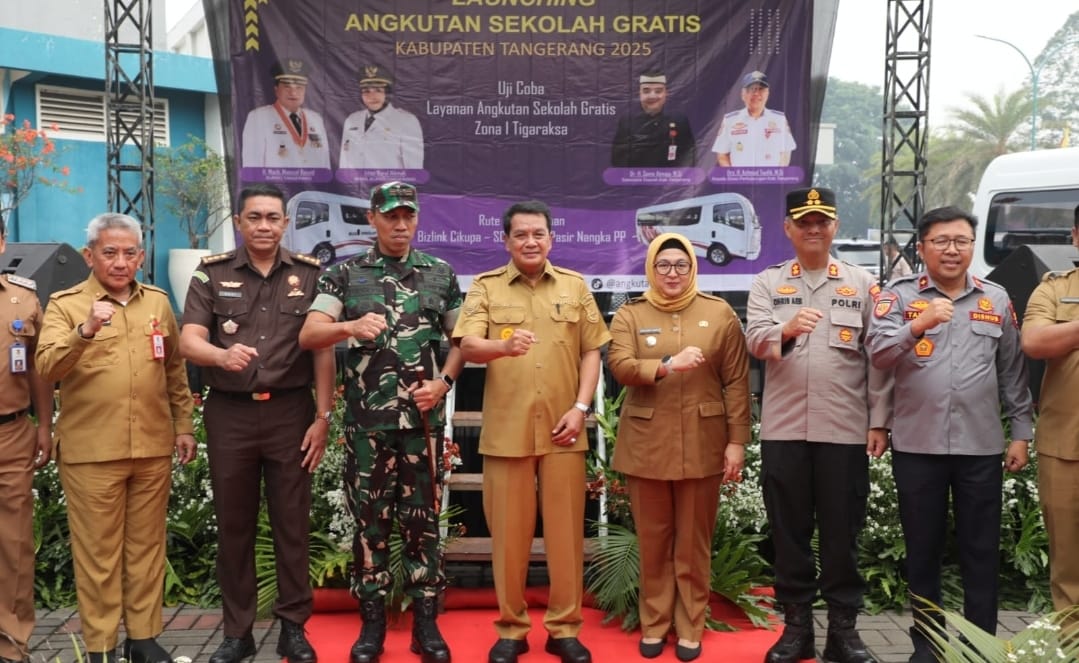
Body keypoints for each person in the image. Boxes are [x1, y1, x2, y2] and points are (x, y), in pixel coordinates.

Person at [298, 181, 461, 663]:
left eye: (408, 215)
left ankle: (425, 626)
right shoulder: (345, 274)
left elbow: (463, 341)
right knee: (369, 523)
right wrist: (347, 326)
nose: (401, 224)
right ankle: (371, 625)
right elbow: (310, 335)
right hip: (367, 429)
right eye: (391, 215)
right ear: (372, 218)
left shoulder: (439, 274)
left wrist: (445, 383)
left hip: (421, 428)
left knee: (423, 524)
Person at [865, 206, 1033, 662]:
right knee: (922, 554)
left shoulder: (995, 299)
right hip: (917, 448)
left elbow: (1013, 372)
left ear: (972, 246)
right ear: (922, 248)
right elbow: (877, 353)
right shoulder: (899, 296)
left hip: (981, 449)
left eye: (961, 241)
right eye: (941, 241)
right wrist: (917, 324)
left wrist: (1021, 431)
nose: (952, 250)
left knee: (981, 554)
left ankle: (981, 647)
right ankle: (927, 647)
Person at [180, 183, 334, 663]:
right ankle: (237, 633)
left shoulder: (311, 276)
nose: (264, 226)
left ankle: (293, 627)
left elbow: (323, 349)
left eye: (273, 217)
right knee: (234, 526)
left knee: (292, 524)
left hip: (292, 413)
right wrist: (221, 357)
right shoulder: (211, 274)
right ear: (240, 223)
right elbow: (189, 341)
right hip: (231, 415)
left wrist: (324, 417)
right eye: (255, 218)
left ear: (285, 224)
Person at [452, 200, 611, 663]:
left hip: (565, 430)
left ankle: (564, 628)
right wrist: (503, 346)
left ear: (551, 239)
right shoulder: (485, 288)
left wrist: (582, 408)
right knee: (508, 538)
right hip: (507, 433)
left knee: (566, 539)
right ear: (506, 241)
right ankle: (511, 629)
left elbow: (591, 352)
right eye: (520, 234)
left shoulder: (575, 287)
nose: (530, 241)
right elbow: (469, 345)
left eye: (538, 233)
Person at [35, 213, 196, 663]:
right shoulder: (66, 304)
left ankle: (143, 639)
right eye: (109, 253)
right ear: (89, 256)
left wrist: (183, 425)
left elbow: (174, 371)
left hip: (151, 447)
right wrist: (84, 331)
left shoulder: (158, 303)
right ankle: (101, 647)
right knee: (98, 557)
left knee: (146, 550)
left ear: (141, 256)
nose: (120, 262)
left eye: (129, 253)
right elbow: (46, 368)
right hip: (92, 452)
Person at [745, 187, 891, 663]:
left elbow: (880, 360)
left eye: (821, 221)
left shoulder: (863, 282)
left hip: (845, 430)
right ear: (787, 228)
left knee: (841, 534)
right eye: (803, 221)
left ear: (834, 226)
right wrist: (784, 331)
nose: (812, 229)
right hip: (784, 430)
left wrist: (880, 422)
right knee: (788, 534)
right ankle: (796, 630)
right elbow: (753, 339)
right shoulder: (767, 283)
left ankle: (844, 634)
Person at [607, 232, 750, 662]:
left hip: (705, 444)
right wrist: (667, 366)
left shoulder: (719, 312)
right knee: (653, 542)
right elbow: (620, 366)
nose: (672, 273)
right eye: (664, 265)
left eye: (681, 265)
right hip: (647, 444)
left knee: (693, 544)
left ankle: (691, 626)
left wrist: (737, 442)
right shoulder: (630, 314)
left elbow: (737, 382)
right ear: (651, 268)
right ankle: (654, 623)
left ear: (694, 267)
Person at [1018, 204, 1079, 614]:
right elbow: (1035, 343)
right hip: (1066, 449)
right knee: (1069, 567)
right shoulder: (1055, 289)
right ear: (1076, 235)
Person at [0, 219, 53, 663]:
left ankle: (10, 644)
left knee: (13, 543)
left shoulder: (23, 297)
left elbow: (38, 367)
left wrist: (45, 425)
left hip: (11, 433)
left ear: (1, 242)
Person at [241, 58, 332, 170]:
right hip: (277, 186)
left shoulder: (315, 119)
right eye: (287, 87)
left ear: (305, 91)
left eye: (299, 87)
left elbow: (325, 162)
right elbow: (252, 165)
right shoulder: (258, 117)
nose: (293, 93)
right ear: (276, 90)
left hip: (313, 185)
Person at [339, 65, 424, 170]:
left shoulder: (406, 121)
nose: (372, 96)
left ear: (387, 94)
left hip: (390, 185)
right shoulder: (352, 120)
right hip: (356, 185)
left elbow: (414, 168)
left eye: (378, 90)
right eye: (366, 91)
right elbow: (344, 161)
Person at [610, 71, 696, 168]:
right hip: (636, 179)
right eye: (646, 91)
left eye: (658, 91)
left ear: (665, 94)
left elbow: (689, 156)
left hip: (670, 180)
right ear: (640, 94)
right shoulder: (627, 120)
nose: (652, 96)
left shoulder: (679, 120)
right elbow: (618, 160)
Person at [712, 71, 796, 167]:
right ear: (743, 94)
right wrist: (733, 176)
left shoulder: (779, 119)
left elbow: (785, 152)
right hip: (740, 179)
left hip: (769, 179)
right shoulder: (730, 120)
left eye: (761, 89)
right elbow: (722, 154)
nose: (756, 93)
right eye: (751, 89)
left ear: (767, 93)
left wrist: (777, 176)